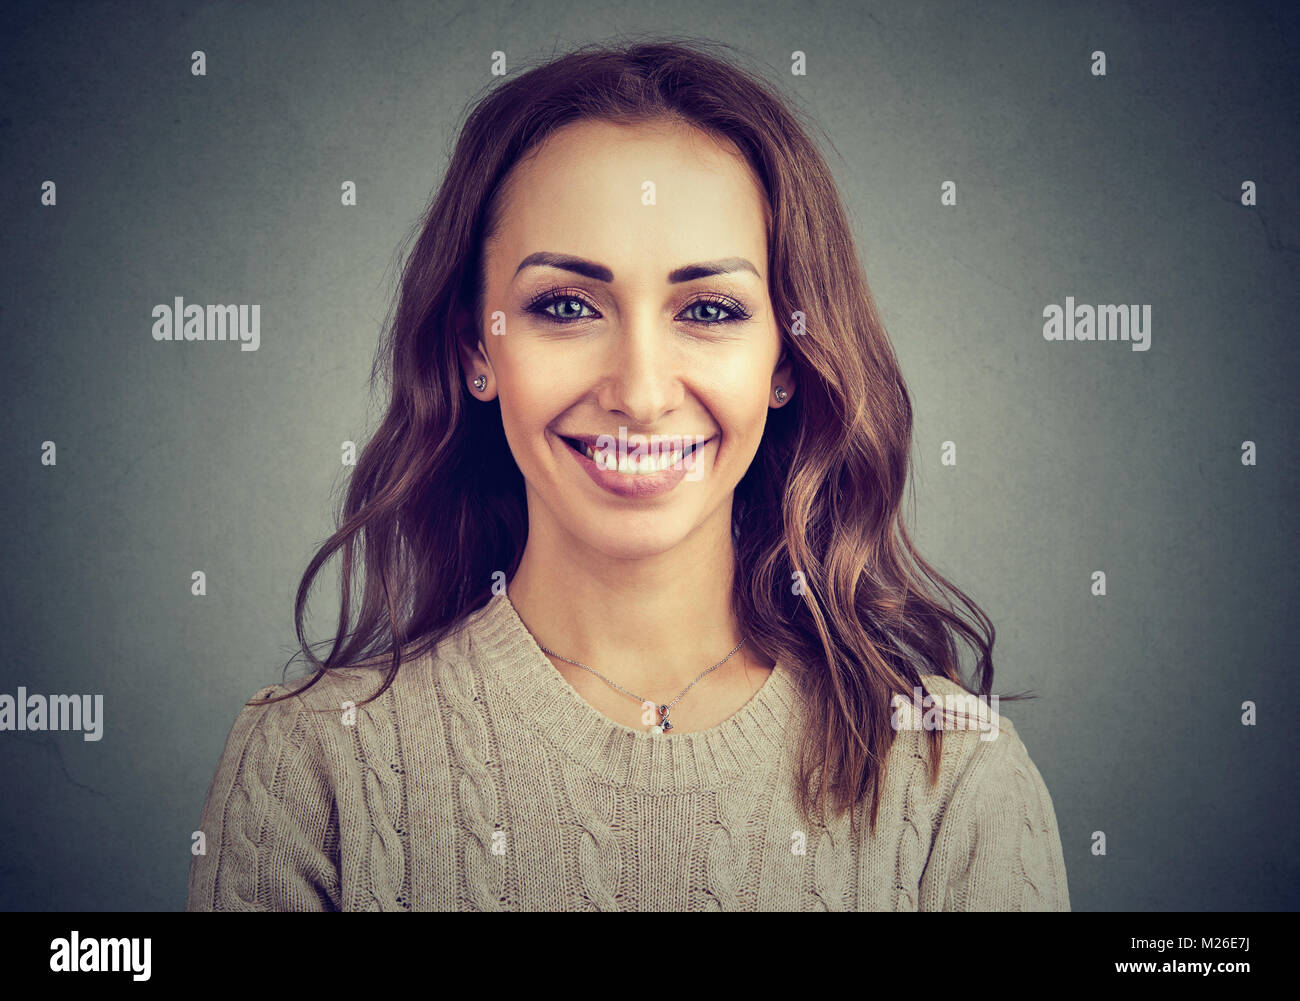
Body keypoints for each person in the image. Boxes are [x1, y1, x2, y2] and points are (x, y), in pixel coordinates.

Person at [186, 38, 1069, 911]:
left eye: (709, 310)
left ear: (786, 357)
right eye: (567, 306)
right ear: (475, 349)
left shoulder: (955, 780)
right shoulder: (307, 767)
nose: (640, 394)